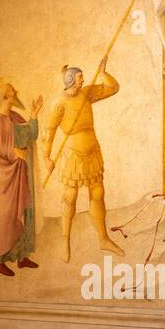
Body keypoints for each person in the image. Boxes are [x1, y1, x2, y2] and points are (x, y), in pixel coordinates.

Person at [42, 59, 124, 262]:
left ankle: (103, 239)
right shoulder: (58, 103)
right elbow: (48, 131)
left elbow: (113, 88)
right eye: (79, 78)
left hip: (92, 151)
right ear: (70, 80)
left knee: (98, 193)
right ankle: (65, 241)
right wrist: (46, 157)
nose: (83, 80)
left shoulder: (86, 93)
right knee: (70, 196)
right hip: (73, 155)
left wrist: (103, 72)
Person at [0, 78, 43, 277]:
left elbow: (30, 135)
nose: (16, 91)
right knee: (6, 217)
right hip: (6, 176)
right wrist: (13, 152)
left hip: (22, 173)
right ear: (5, 97)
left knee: (25, 213)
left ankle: (22, 256)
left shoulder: (15, 117)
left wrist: (34, 114)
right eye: (12, 90)